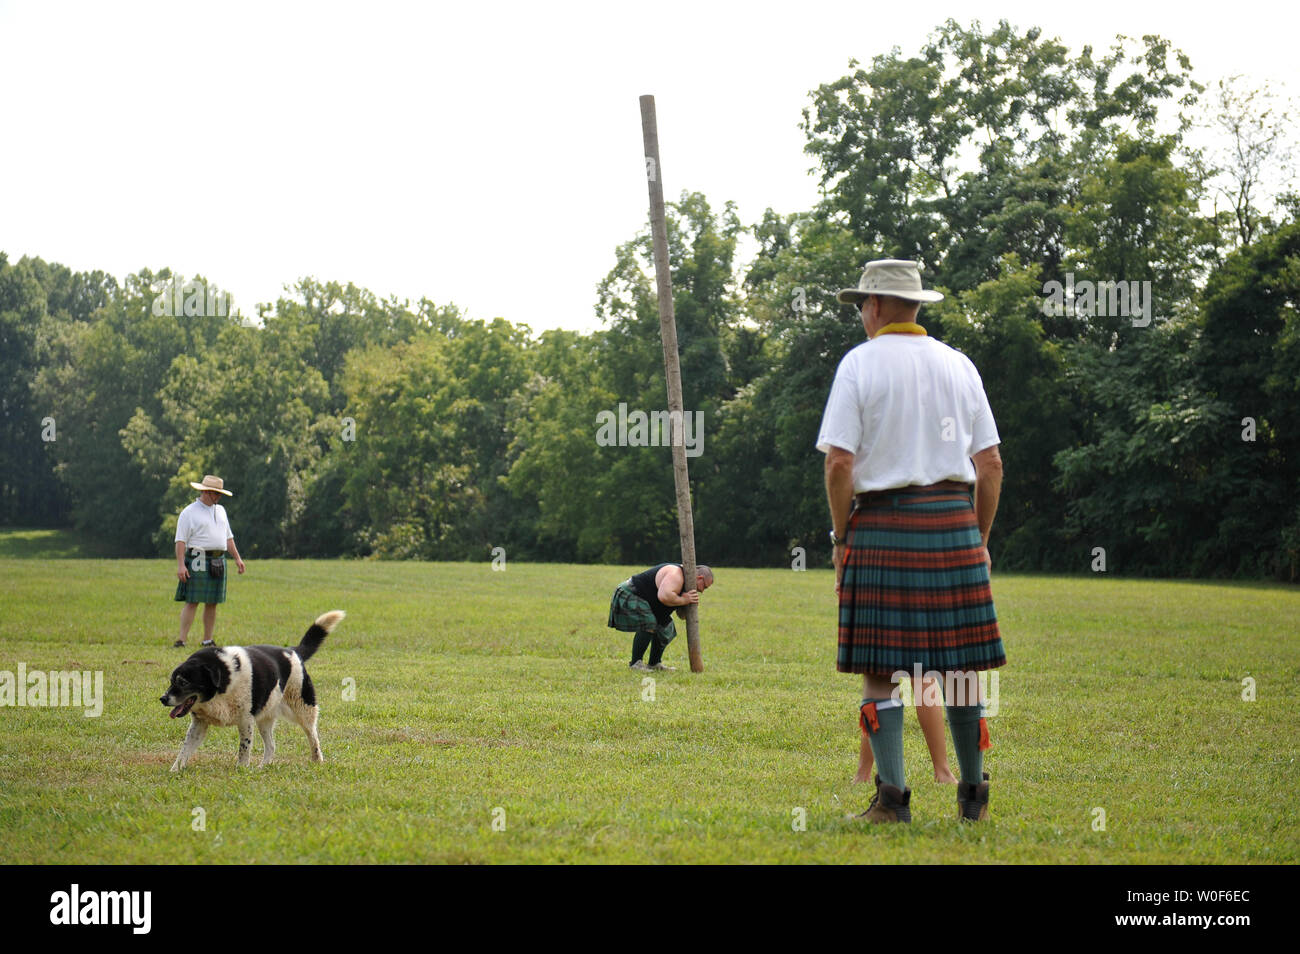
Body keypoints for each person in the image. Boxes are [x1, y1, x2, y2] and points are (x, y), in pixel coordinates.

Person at [818, 259, 1006, 823]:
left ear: (873, 306)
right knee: (962, 670)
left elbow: (838, 464)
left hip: (881, 525)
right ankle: (973, 801)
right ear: (915, 305)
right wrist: (978, 537)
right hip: (954, 525)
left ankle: (893, 803)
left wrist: (841, 535)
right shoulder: (960, 365)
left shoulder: (859, 364)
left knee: (881, 670)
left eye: (860, 308)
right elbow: (991, 463)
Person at [173, 474, 246, 648]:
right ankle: (182, 640)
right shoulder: (189, 512)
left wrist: (237, 558)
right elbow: (181, 541)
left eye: (220, 493)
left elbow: (228, 537)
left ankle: (207, 640)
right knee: (192, 600)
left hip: (218, 559)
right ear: (206, 491)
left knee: (212, 601)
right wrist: (181, 565)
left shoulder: (220, 511)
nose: (219, 497)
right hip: (197, 557)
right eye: (216, 493)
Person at [608, 563, 713, 671]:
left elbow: (681, 616)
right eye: (704, 586)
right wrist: (684, 600)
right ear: (700, 578)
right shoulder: (676, 574)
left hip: (649, 602)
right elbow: (664, 596)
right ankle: (635, 663)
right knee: (649, 622)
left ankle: (654, 663)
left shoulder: (688, 586)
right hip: (631, 592)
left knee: (667, 629)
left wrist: (688, 606)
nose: (702, 591)